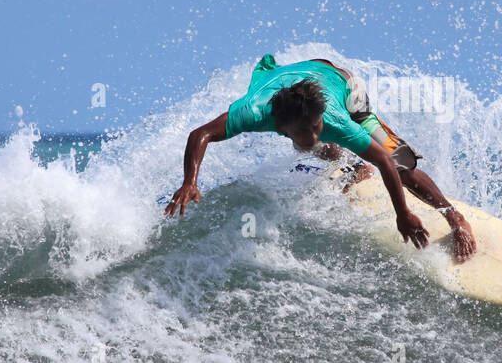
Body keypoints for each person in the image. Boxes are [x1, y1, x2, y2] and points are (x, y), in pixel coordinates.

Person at [164, 54, 476, 261]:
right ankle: (354, 167)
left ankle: (454, 217)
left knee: (399, 162)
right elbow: (200, 135)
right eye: (304, 131)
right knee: (316, 147)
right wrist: (189, 181)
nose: (314, 135)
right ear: (279, 126)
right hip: (288, 83)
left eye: (316, 127)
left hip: (344, 87)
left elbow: (384, 161)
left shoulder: (334, 121)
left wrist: (403, 214)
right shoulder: (254, 113)